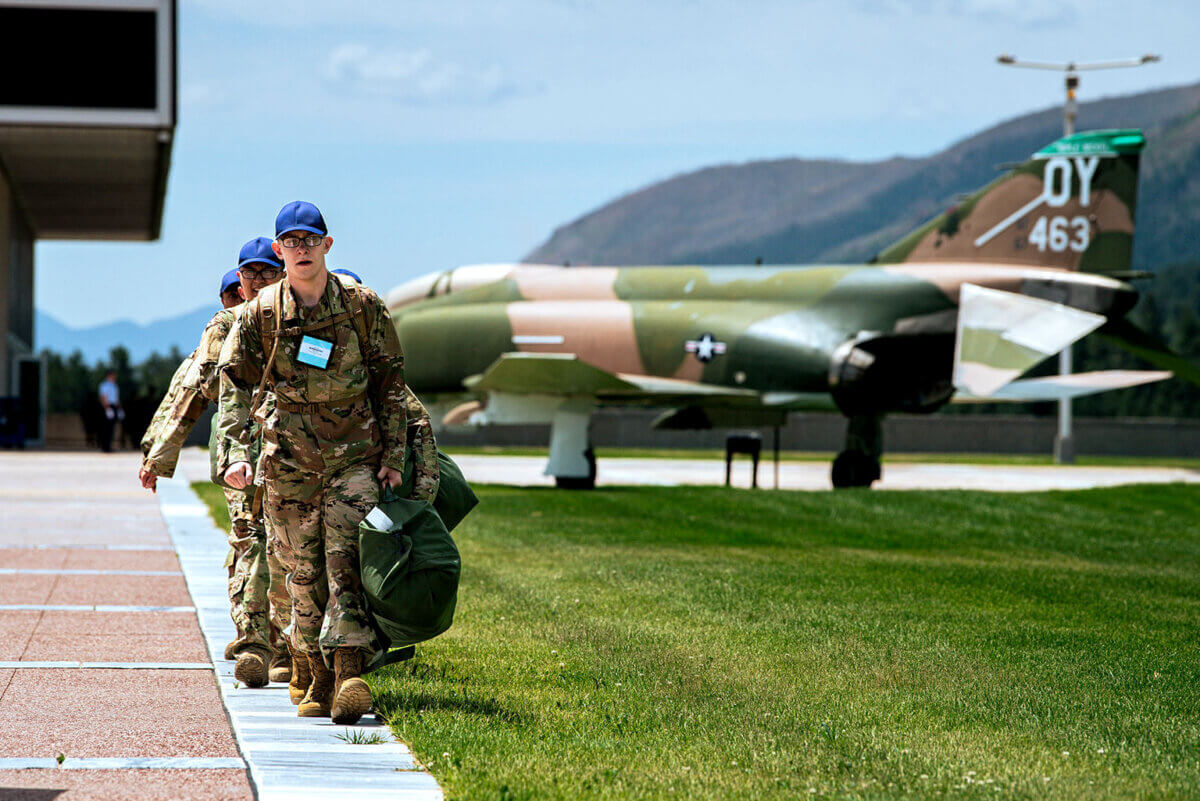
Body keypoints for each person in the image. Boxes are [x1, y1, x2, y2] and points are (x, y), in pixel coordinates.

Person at [217, 201, 408, 724]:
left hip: (354, 457)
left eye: (310, 240)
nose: (301, 249)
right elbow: (234, 386)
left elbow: (391, 382)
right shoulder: (260, 314)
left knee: (344, 562)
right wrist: (234, 454)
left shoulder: (362, 305)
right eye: (291, 241)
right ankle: (312, 668)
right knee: (301, 573)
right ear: (279, 250)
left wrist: (394, 454)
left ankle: (349, 672)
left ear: (328, 245)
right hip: (288, 463)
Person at [141, 243, 292, 689]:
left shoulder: (299, 319)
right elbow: (191, 387)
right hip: (241, 448)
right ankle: (254, 645)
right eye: (251, 272)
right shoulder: (226, 326)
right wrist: (159, 453)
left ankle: (285, 645)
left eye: (268, 271)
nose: (259, 279)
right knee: (251, 539)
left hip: (294, 450)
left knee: (290, 545)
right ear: (239, 282)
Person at [97, 370, 123, 452]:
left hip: (114, 407)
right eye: (113, 376)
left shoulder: (115, 386)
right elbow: (103, 397)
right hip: (107, 407)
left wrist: (119, 409)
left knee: (111, 429)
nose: (115, 377)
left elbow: (116, 398)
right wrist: (107, 409)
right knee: (105, 428)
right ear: (108, 376)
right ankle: (104, 447)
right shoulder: (104, 385)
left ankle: (108, 446)